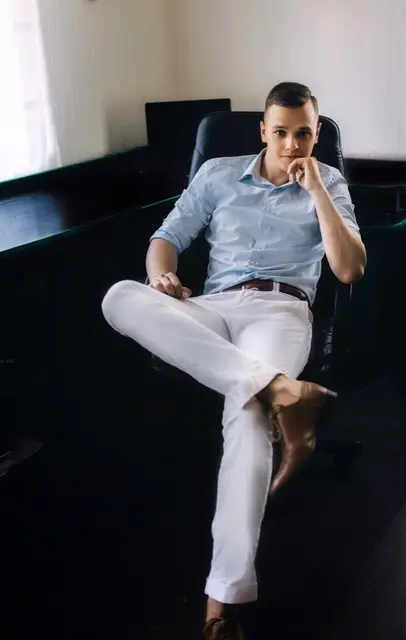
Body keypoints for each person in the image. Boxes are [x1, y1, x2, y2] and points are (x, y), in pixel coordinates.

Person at [101, 82, 366, 640]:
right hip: (212, 306)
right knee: (120, 296)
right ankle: (282, 391)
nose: (292, 145)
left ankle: (222, 603)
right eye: (281, 132)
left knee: (247, 416)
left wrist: (317, 188)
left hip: (280, 312)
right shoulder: (218, 173)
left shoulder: (329, 181)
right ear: (262, 131)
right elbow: (166, 237)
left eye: (304, 133)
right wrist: (161, 275)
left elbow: (349, 269)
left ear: (316, 133)